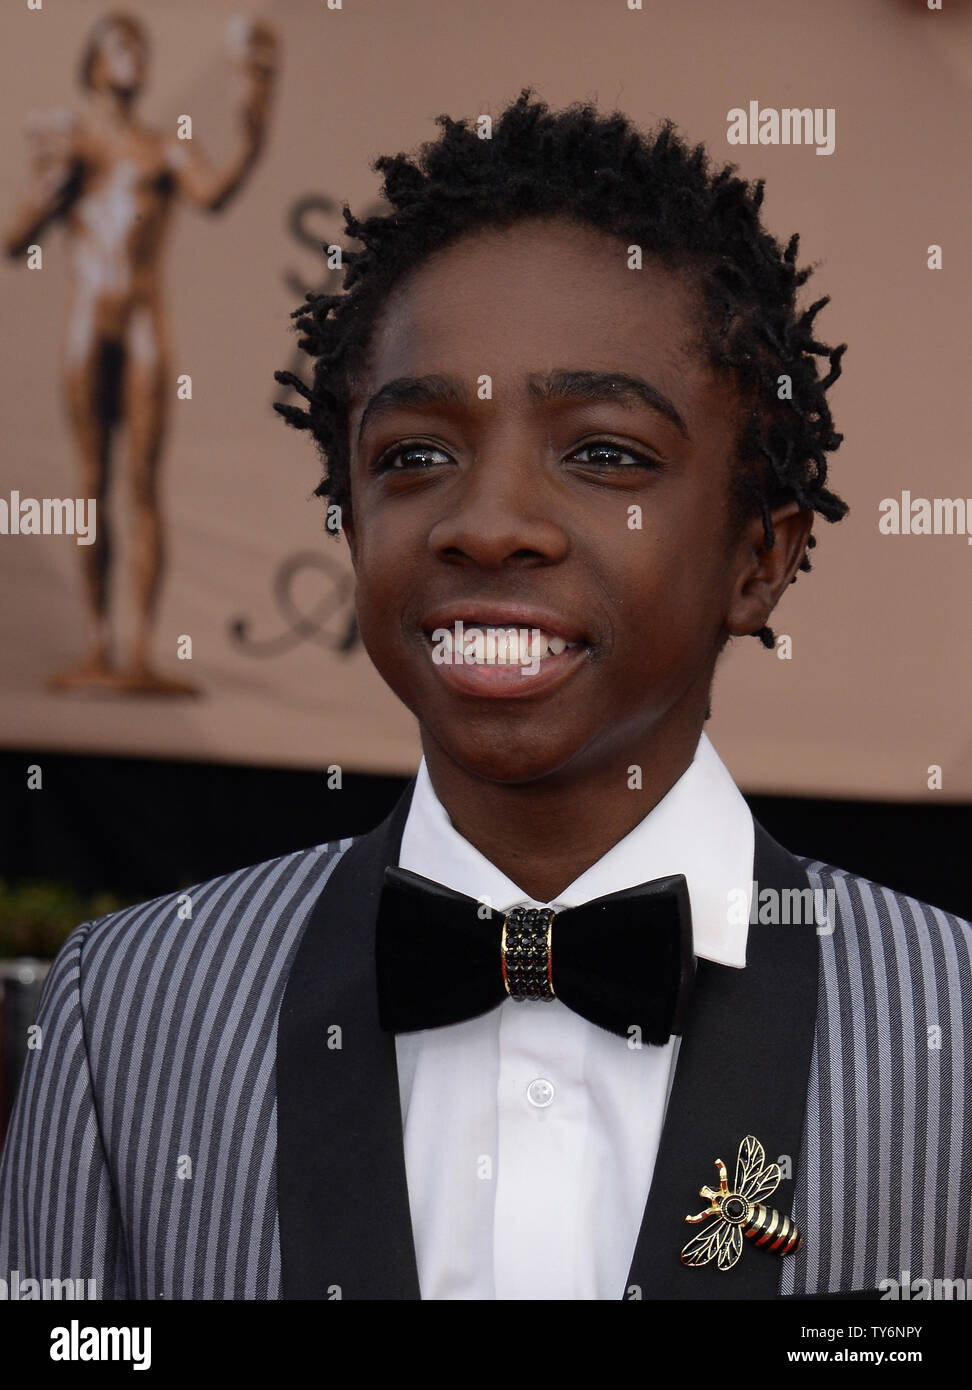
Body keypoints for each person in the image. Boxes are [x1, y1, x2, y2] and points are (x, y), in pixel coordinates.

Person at [1, 89, 968, 1301]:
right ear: (349, 523)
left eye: (603, 451)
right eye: (415, 455)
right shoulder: (129, 1011)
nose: (488, 523)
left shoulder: (954, 1030)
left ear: (758, 559)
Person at [3, 10, 278, 694]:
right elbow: (15, 240)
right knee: (90, 485)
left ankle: (142, 654)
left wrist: (253, 109)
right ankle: (98, 645)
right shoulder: (71, 144)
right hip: (85, 329)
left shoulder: (164, 150)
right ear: (96, 62)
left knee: (144, 488)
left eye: (141, 45)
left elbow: (217, 191)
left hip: (143, 328)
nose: (134, 55)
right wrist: (47, 182)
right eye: (120, 43)